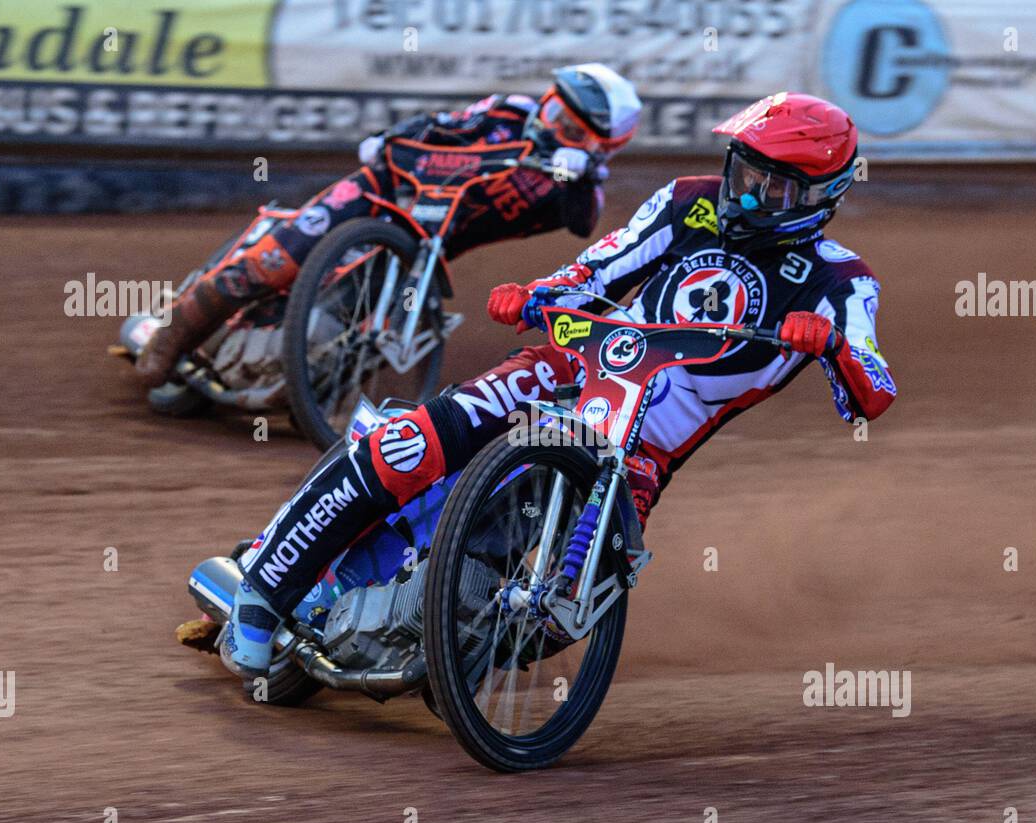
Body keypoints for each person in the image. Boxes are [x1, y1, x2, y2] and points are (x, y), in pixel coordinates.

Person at [216, 91, 898, 679]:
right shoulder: (688, 202)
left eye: (769, 185)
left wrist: (833, 342)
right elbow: (599, 268)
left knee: (555, 617)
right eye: (741, 170)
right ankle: (265, 590)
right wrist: (539, 294)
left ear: (819, 196)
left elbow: (874, 388)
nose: (745, 192)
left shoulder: (842, 283)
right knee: (414, 442)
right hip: (576, 365)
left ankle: (427, 634)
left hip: (641, 449)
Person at [135, 63, 642, 387]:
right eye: (555, 111)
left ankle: (300, 383)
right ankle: (173, 333)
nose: (553, 126)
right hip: (378, 188)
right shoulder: (507, 111)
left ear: (602, 145)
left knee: (347, 321)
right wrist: (390, 137)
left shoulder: (581, 185)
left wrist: (576, 173)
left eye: (573, 129)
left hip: (423, 243)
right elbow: (444, 124)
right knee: (273, 262)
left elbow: (583, 224)